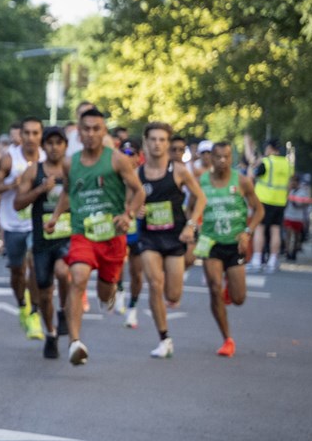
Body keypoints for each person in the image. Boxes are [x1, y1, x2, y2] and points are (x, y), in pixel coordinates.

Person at [49, 106, 147, 366]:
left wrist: (128, 215)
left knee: (105, 294)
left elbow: (139, 192)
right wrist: (56, 216)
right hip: (83, 234)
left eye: (96, 129)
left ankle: (110, 294)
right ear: (78, 133)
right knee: (77, 277)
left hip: (112, 237)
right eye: (86, 129)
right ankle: (75, 343)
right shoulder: (71, 163)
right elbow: (68, 193)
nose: (91, 134)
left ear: (104, 133)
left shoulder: (116, 159)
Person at [135, 123, 206, 358]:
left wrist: (191, 224)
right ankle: (164, 338)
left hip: (174, 237)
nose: (157, 144)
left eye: (162, 140)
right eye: (153, 139)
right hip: (149, 237)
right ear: (146, 143)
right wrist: (136, 210)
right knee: (155, 284)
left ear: (167, 143)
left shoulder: (178, 171)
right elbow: (129, 203)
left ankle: (168, 291)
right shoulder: (138, 174)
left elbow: (201, 198)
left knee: (173, 295)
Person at [0, 117, 48, 342]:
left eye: (35, 133)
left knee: (35, 266)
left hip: (38, 224)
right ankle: (21, 305)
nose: (30, 138)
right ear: (21, 135)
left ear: (41, 135)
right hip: (12, 222)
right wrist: (10, 185)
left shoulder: (48, 159)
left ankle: (34, 312)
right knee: (17, 272)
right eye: (26, 133)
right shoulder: (10, 159)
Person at [13, 127, 75, 359]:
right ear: (43, 147)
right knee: (44, 292)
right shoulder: (33, 171)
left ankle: (64, 310)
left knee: (63, 271)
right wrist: (41, 189)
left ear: (65, 146)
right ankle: (50, 332)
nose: (54, 147)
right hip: (42, 238)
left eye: (59, 143)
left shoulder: (73, 169)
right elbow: (17, 204)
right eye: (50, 143)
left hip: (67, 235)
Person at [196, 141, 261, 356]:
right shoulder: (201, 181)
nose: (222, 160)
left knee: (239, 298)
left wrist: (247, 232)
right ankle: (227, 339)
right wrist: (191, 226)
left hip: (234, 245)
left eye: (226, 156)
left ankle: (229, 288)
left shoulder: (242, 181)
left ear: (231, 158)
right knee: (214, 288)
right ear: (211, 159)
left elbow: (259, 211)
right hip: (211, 243)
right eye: (218, 157)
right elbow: (191, 209)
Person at [251, 139, 292, 272]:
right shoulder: (287, 163)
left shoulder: (266, 162)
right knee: (275, 230)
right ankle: (273, 261)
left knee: (260, 229)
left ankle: (257, 259)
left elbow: (253, 174)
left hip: (264, 200)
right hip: (280, 201)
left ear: (269, 148)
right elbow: (290, 184)